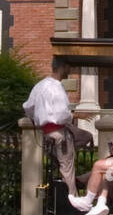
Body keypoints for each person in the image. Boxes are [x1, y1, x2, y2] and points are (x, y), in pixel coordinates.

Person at [23, 58, 80, 200]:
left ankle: (61, 167)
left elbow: (28, 107)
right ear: (63, 67)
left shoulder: (39, 86)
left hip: (44, 133)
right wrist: (74, 116)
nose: (69, 71)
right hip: (59, 132)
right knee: (67, 168)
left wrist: (38, 118)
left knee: (84, 137)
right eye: (68, 68)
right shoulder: (57, 88)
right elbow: (62, 114)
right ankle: (71, 201)